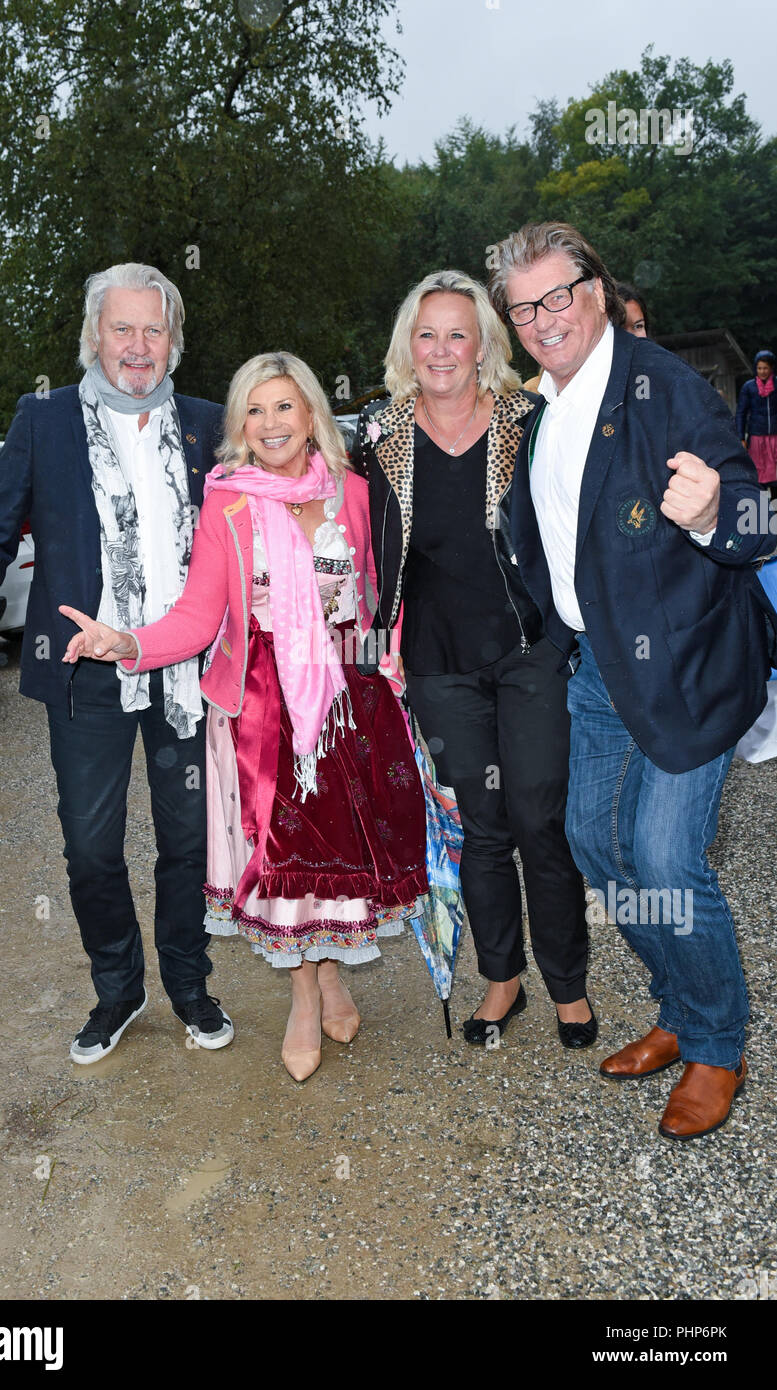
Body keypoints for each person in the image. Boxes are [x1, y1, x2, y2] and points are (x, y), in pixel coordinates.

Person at [60, 351, 428, 1082]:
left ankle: (329, 972)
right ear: (238, 426)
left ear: (312, 414)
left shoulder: (354, 490)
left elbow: (385, 589)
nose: (269, 424)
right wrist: (126, 641)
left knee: (347, 855)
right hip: (261, 703)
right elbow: (199, 617)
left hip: (350, 694)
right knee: (287, 859)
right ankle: (303, 992)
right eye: (254, 411)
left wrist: (392, 663)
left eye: (284, 407)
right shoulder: (227, 502)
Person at [490, 221, 777, 1140]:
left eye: (557, 296)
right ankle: (681, 1007)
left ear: (596, 291)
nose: (543, 319)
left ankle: (718, 1045)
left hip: (687, 666)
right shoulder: (536, 411)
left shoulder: (661, 384)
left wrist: (709, 516)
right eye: (522, 306)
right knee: (593, 842)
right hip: (596, 669)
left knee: (661, 856)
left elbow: (756, 511)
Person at [0, 263, 234, 1064]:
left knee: (187, 844)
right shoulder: (43, 421)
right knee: (90, 848)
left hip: (184, 671)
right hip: (84, 674)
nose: (138, 347)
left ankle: (186, 982)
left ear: (174, 341)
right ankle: (119, 988)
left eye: (154, 329)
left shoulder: (210, 426)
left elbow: (260, 536)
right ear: (93, 336)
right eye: (122, 328)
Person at [352, 269, 594, 1049]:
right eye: (427, 334)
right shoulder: (379, 438)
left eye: (459, 332)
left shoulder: (530, 420)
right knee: (483, 827)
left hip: (530, 652)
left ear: (484, 344)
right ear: (406, 348)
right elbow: (348, 542)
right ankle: (502, 983)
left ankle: (568, 984)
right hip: (437, 665)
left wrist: (563, 637)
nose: (442, 349)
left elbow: (574, 524)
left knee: (538, 818)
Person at [736, 350, 777, 489]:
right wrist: (741, 437)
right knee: (759, 473)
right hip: (756, 438)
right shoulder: (749, 387)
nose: (762, 371)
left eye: (765, 368)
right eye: (759, 368)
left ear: (771, 368)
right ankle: (763, 507)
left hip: (775, 437)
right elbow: (741, 413)